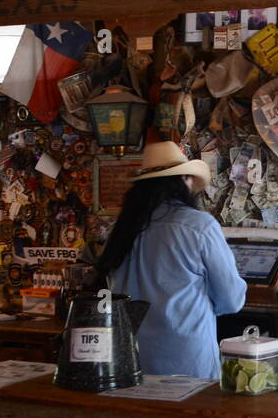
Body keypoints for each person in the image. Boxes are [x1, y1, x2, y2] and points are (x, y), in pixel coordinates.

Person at [94, 141, 246, 379]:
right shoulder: (199, 226)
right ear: (182, 180)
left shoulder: (122, 228)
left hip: (130, 355)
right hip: (186, 358)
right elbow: (231, 299)